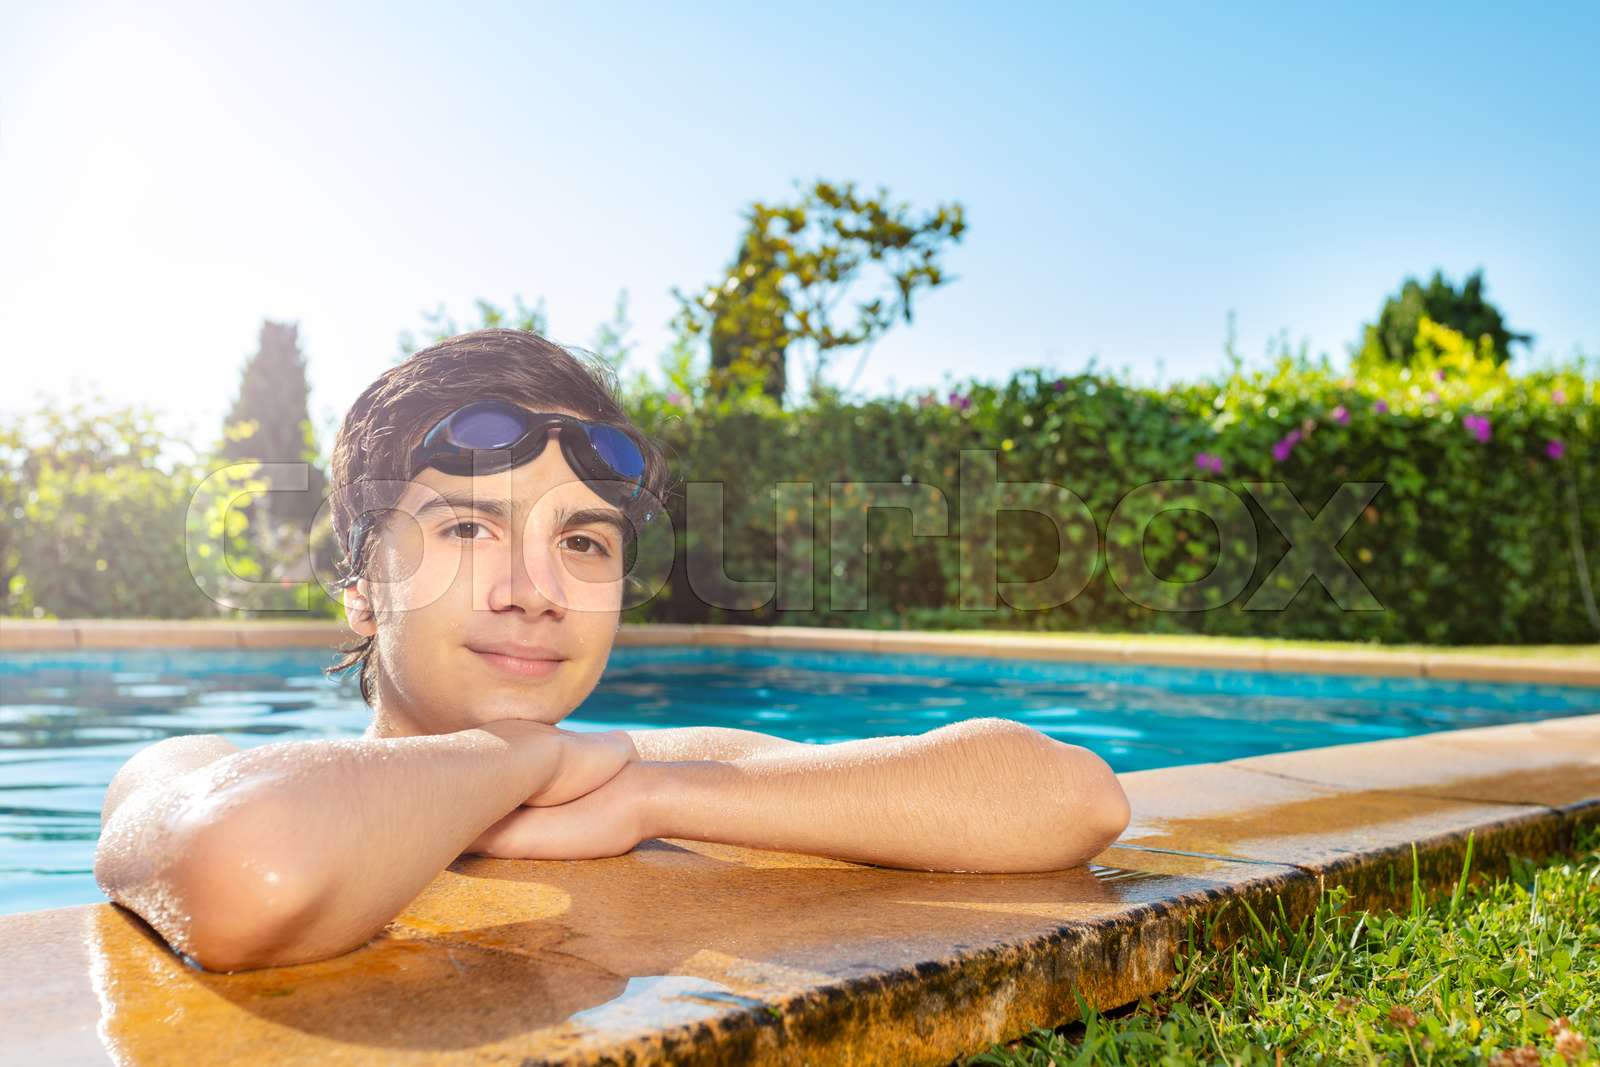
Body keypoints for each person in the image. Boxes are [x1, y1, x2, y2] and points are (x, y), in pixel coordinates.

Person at [93, 329, 1131, 973]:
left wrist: (651, 797)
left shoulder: (653, 773)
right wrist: (522, 760)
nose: (533, 591)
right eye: (467, 528)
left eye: (582, 541)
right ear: (362, 591)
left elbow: (1073, 796)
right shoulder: (193, 766)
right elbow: (244, 867)